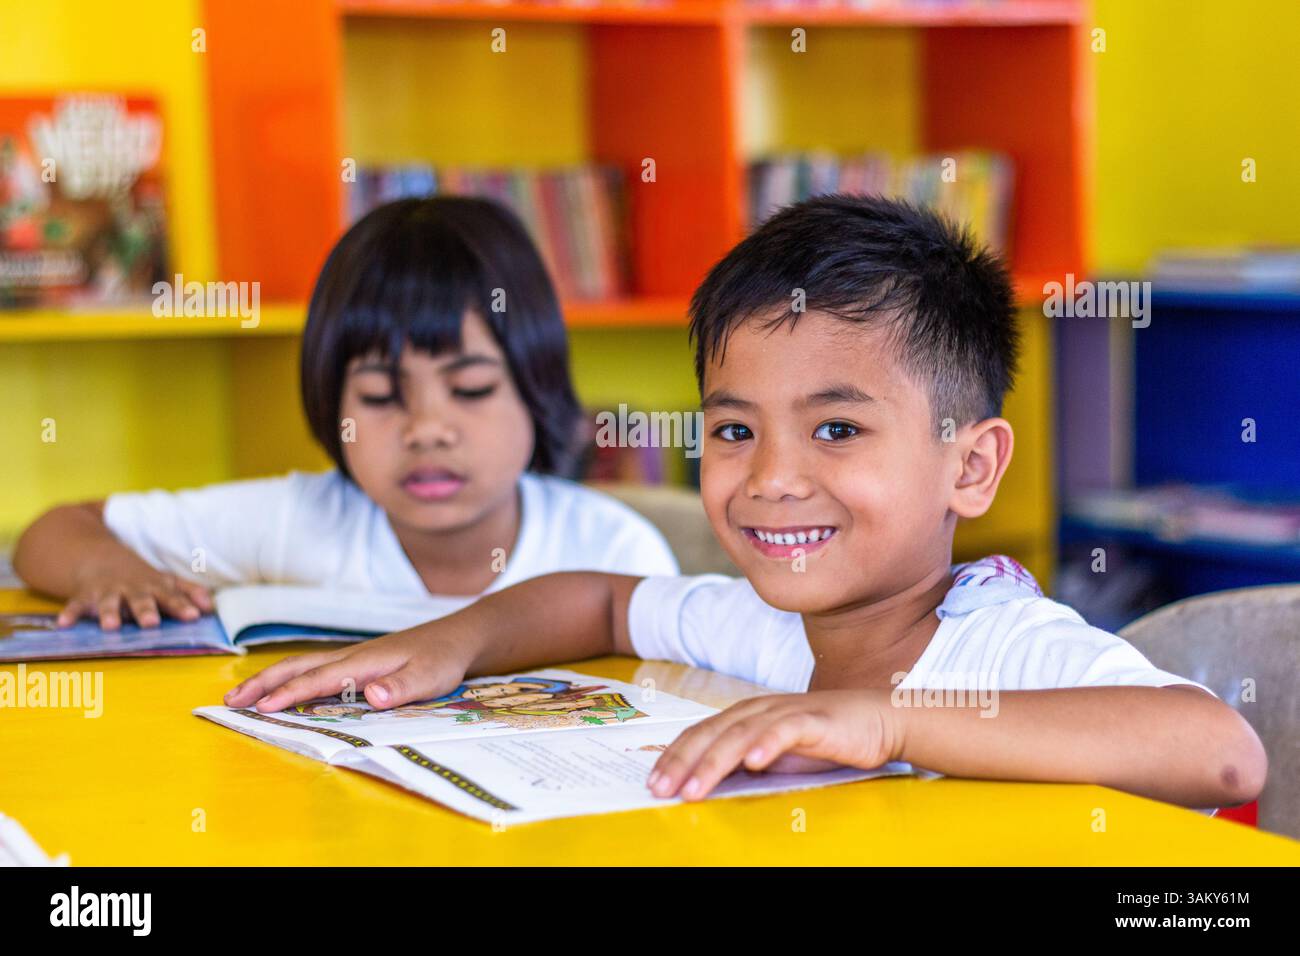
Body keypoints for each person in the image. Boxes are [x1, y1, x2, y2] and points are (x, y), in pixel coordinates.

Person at [223, 195, 1265, 811]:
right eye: (732, 430)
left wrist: (886, 718)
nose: (769, 478)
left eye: (837, 428)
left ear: (971, 467)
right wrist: (447, 645)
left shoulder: (998, 642)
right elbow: (593, 599)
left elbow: (1215, 746)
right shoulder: (761, 623)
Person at [14, 197, 677, 629]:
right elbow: (49, 533)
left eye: (470, 389)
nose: (426, 430)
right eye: (382, 398)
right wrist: (103, 571)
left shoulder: (611, 551)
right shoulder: (295, 520)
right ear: (332, 405)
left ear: (538, 391)